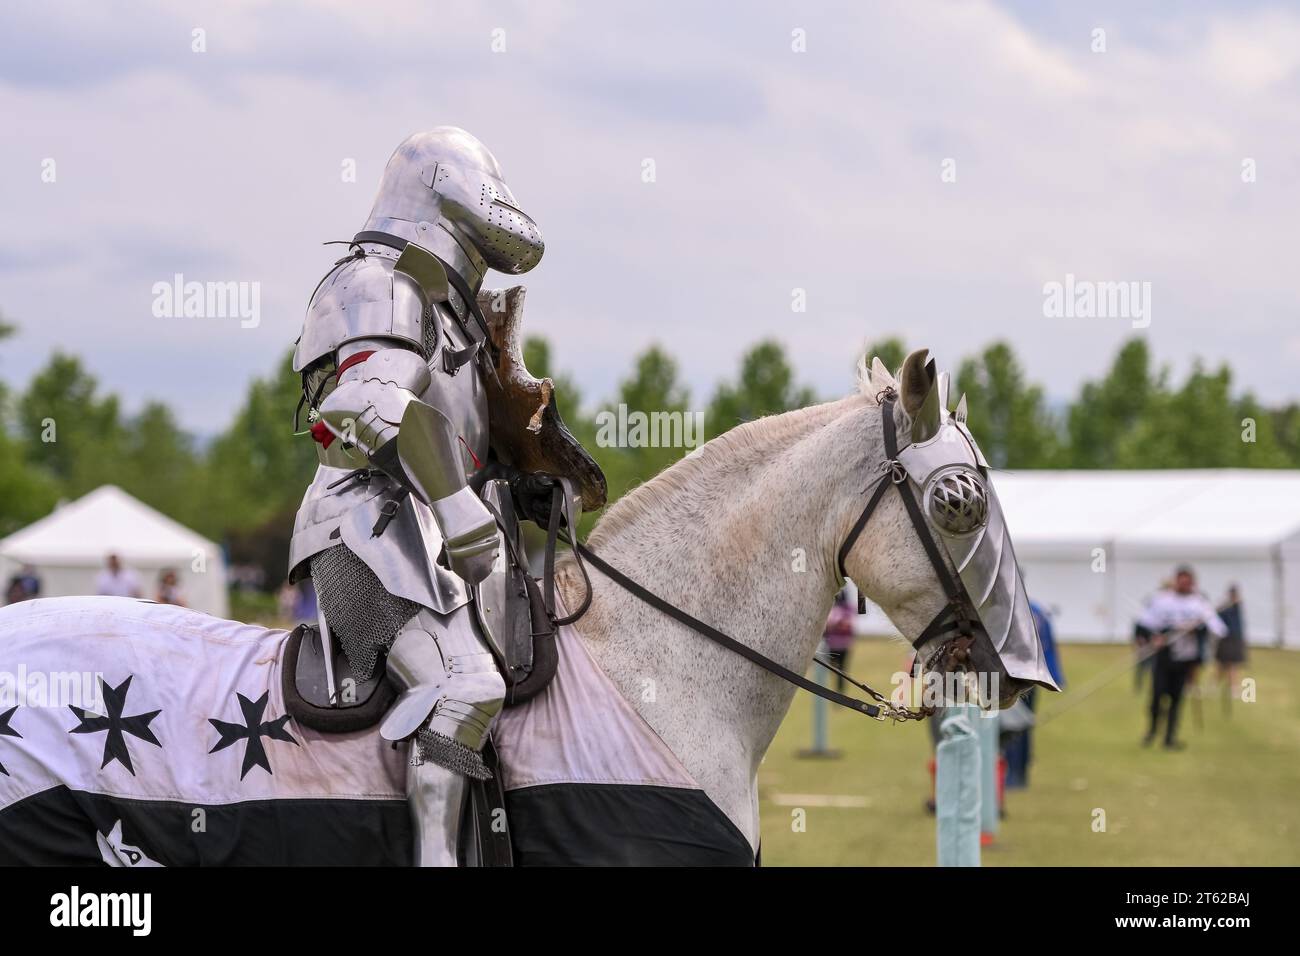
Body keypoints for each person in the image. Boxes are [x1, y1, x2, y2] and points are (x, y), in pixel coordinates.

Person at [286, 128, 600, 866]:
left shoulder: (456, 320)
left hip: (437, 547)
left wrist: (524, 488)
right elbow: (364, 409)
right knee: (465, 683)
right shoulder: (378, 283)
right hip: (363, 525)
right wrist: (458, 504)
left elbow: (460, 441)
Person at [1136, 565, 1226, 750]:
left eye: (1188, 581)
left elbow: (1217, 629)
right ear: (1176, 580)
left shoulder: (1199, 603)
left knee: (1176, 699)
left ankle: (1169, 738)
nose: (1184, 585)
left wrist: (1197, 630)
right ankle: (1152, 732)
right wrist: (1154, 637)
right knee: (1157, 695)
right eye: (1181, 580)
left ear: (1193, 583)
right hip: (1164, 655)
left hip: (1186, 658)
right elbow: (1143, 624)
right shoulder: (1162, 600)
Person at [1214, 585, 1247, 709]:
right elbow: (1217, 618)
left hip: (1234, 639)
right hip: (1225, 638)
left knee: (1232, 665)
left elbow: (1238, 604)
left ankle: (1234, 688)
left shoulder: (1237, 606)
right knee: (1221, 665)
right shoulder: (1225, 607)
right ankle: (1214, 686)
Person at [822, 590, 855, 691]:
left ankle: (840, 691)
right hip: (830, 644)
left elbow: (847, 626)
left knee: (841, 670)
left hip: (843, 644)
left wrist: (834, 625)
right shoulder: (830, 607)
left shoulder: (847, 608)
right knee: (826, 670)